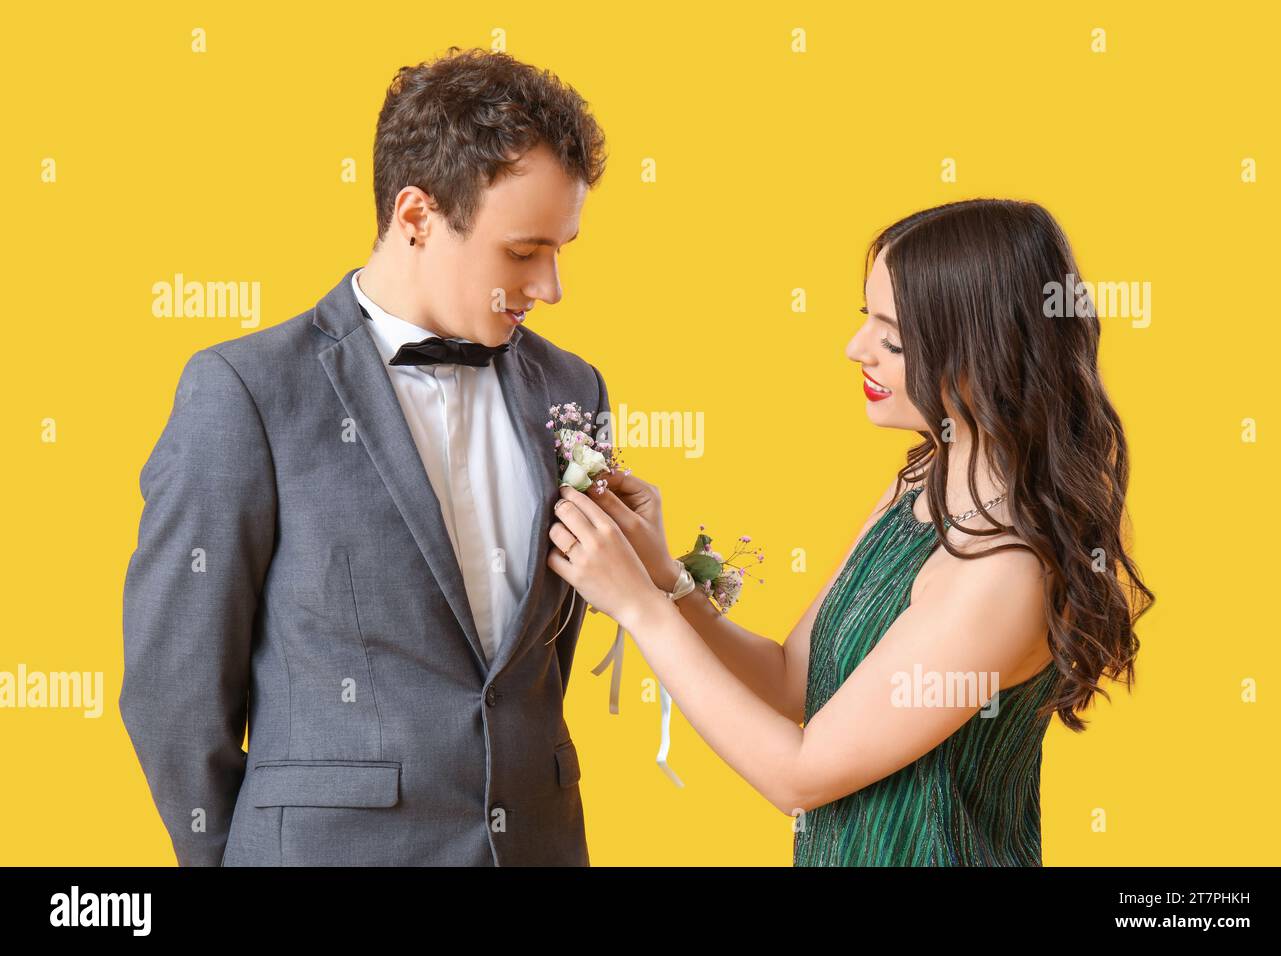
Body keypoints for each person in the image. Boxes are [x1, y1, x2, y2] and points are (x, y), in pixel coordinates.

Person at [548, 198, 1155, 866]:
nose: (856, 348)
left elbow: (799, 776)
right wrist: (664, 576)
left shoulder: (1004, 571)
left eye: (893, 339)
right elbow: (789, 680)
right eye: (866, 318)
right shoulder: (921, 482)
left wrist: (639, 607)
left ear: (982, 350)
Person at [120, 47, 609, 866]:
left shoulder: (575, 388)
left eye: (562, 249)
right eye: (523, 253)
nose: (551, 287)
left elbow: (539, 666)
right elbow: (175, 689)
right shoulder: (246, 391)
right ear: (416, 216)